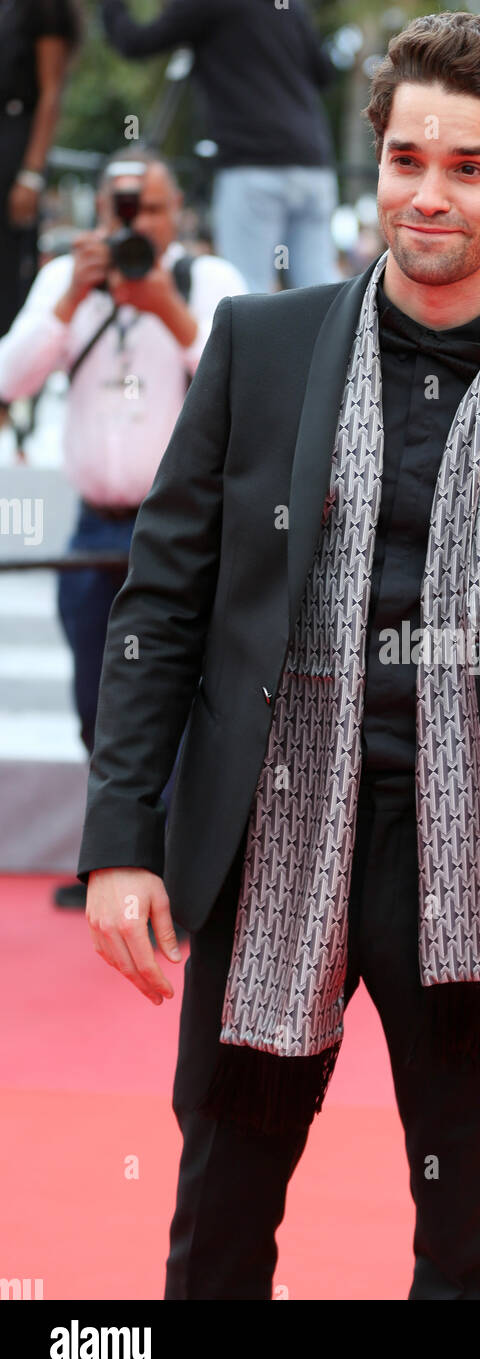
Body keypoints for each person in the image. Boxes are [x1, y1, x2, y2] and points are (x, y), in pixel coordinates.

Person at [76, 13, 480, 1301]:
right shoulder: (261, 342)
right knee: (219, 1228)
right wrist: (121, 836)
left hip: (469, 869)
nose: (428, 192)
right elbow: (161, 604)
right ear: (374, 166)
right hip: (268, 844)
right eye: (406, 159)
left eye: (468, 167)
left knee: (462, 1246)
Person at [0, 145, 247, 908]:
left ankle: (173, 860)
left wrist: (165, 310)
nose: (136, 222)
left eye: (151, 208)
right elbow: (8, 380)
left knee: (176, 692)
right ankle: (119, 850)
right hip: (92, 527)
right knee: (93, 694)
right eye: (122, 208)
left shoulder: (211, 283)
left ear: (179, 215)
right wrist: (73, 301)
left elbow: (247, 391)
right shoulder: (64, 279)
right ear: (101, 213)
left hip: (184, 528)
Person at [99, 0, 340, 292]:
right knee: (323, 292)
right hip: (312, 162)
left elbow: (134, 42)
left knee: (246, 292)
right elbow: (324, 71)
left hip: (252, 163)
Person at [0, 0, 82, 429]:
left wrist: (31, 173)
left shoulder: (42, 8)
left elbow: (52, 89)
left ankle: (9, 403)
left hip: (14, 151)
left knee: (9, 276)